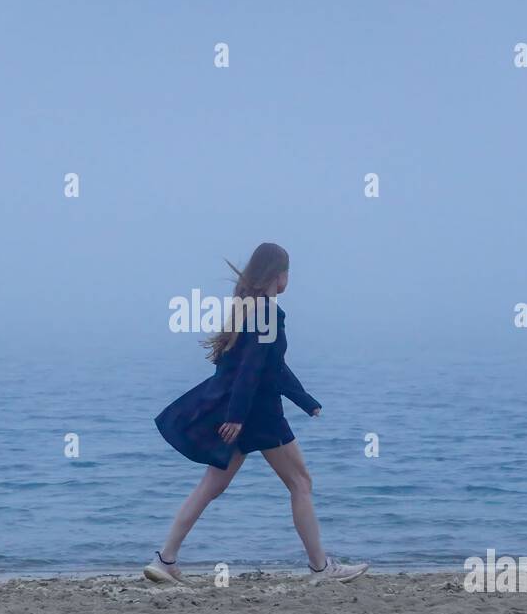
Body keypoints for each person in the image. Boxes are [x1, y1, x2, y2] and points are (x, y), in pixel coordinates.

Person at [149, 242, 369, 585]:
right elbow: (253, 369)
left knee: (210, 487)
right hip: (260, 415)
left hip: (241, 412)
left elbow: (270, 367)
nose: (288, 279)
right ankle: (321, 569)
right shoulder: (267, 312)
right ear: (278, 275)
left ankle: (165, 559)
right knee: (301, 483)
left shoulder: (247, 309)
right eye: (287, 272)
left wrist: (305, 401)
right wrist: (238, 417)